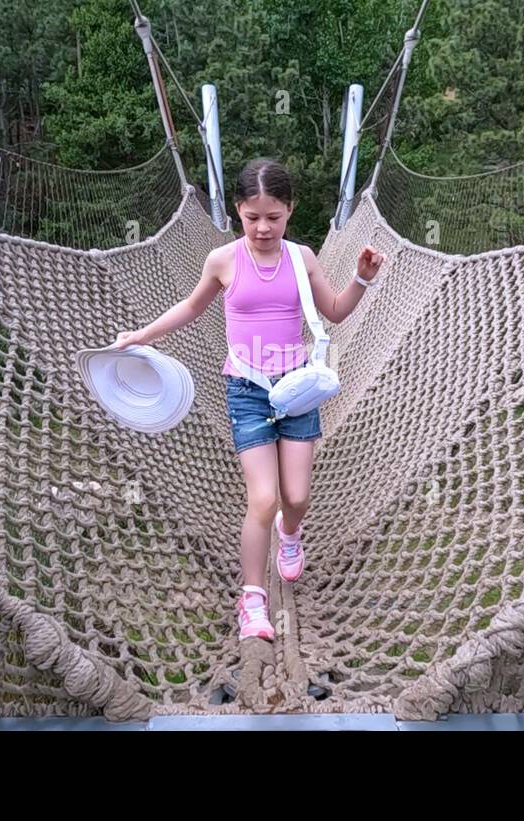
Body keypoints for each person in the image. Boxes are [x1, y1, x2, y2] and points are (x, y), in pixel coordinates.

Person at [113, 158, 385, 640]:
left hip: (298, 388)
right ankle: (253, 603)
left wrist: (362, 278)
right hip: (246, 390)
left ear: (290, 211)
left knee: (295, 498)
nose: (263, 227)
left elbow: (336, 313)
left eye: (273, 217)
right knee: (263, 498)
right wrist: (141, 336)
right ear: (238, 210)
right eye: (252, 216)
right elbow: (192, 308)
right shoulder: (223, 260)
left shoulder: (301, 258)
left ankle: (291, 534)